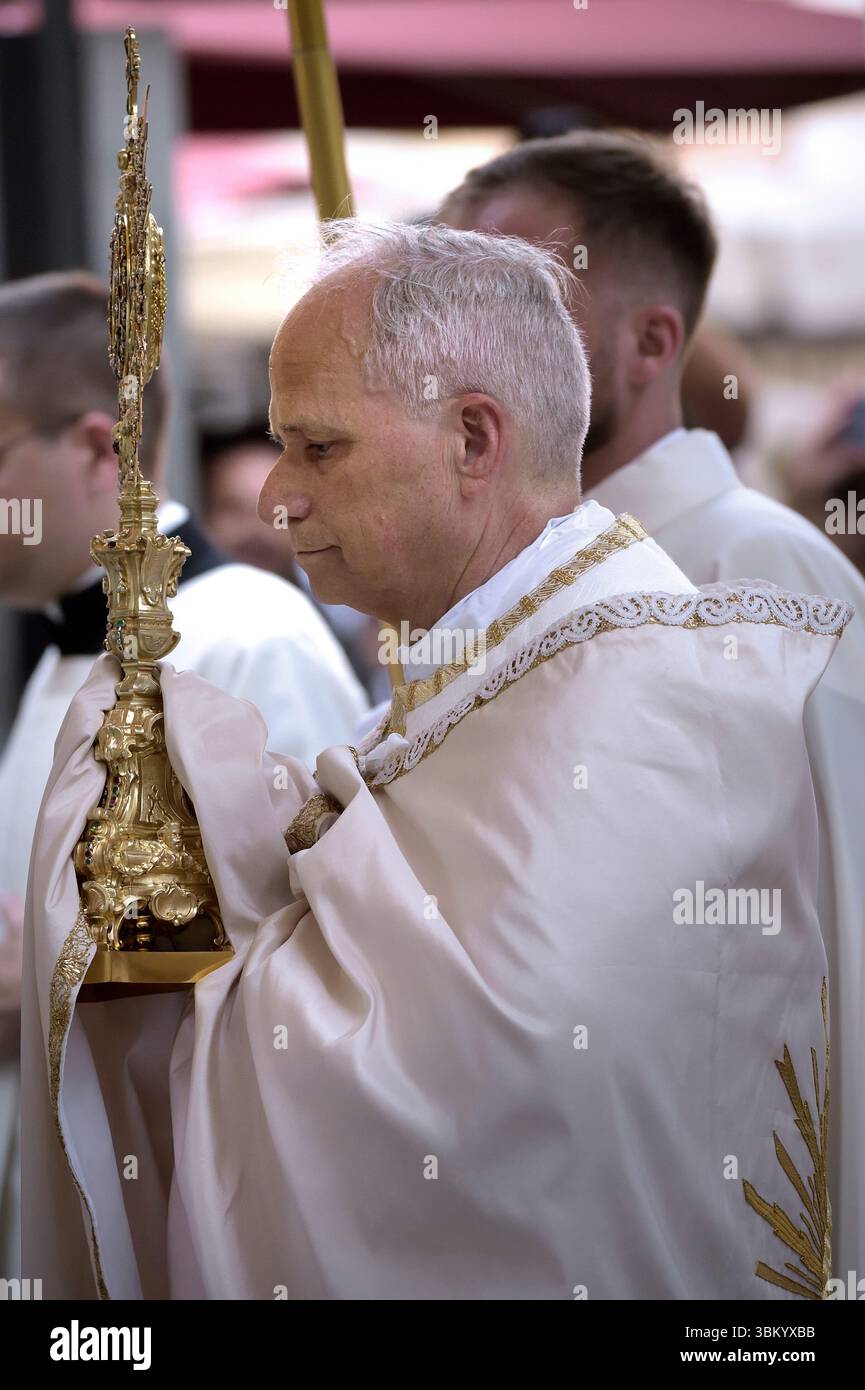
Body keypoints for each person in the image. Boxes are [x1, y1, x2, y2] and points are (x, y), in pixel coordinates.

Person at [22, 221, 848, 1300]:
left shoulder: (640, 703)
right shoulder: (500, 666)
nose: (277, 497)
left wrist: (189, 814)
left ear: (472, 438)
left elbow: (480, 1103)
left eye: (319, 447)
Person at [441, 133, 865, 1281]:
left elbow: (848, 931)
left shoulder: (760, 568)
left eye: (525, 300)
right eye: (453, 299)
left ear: (652, 341)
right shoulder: (494, 586)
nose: (465, 347)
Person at [0, 271, 368, 1282]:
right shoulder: (58, 654)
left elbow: (324, 948)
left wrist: (65, 976)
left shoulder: (251, 635)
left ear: (90, 445)